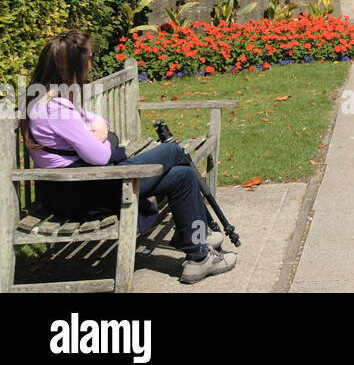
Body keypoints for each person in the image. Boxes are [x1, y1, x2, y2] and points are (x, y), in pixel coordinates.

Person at [22, 30, 237, 284]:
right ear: (73, 67)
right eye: (90, 58)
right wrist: (104, 136)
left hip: (76, 187)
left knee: (183, 175)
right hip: (83, 193)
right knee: (174, 151)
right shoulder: (57, 110)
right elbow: (101, 156)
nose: (91, 63)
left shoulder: (44, 101)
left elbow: (96, 123)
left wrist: (101, 131)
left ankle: (195, 249)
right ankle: (195, 243)